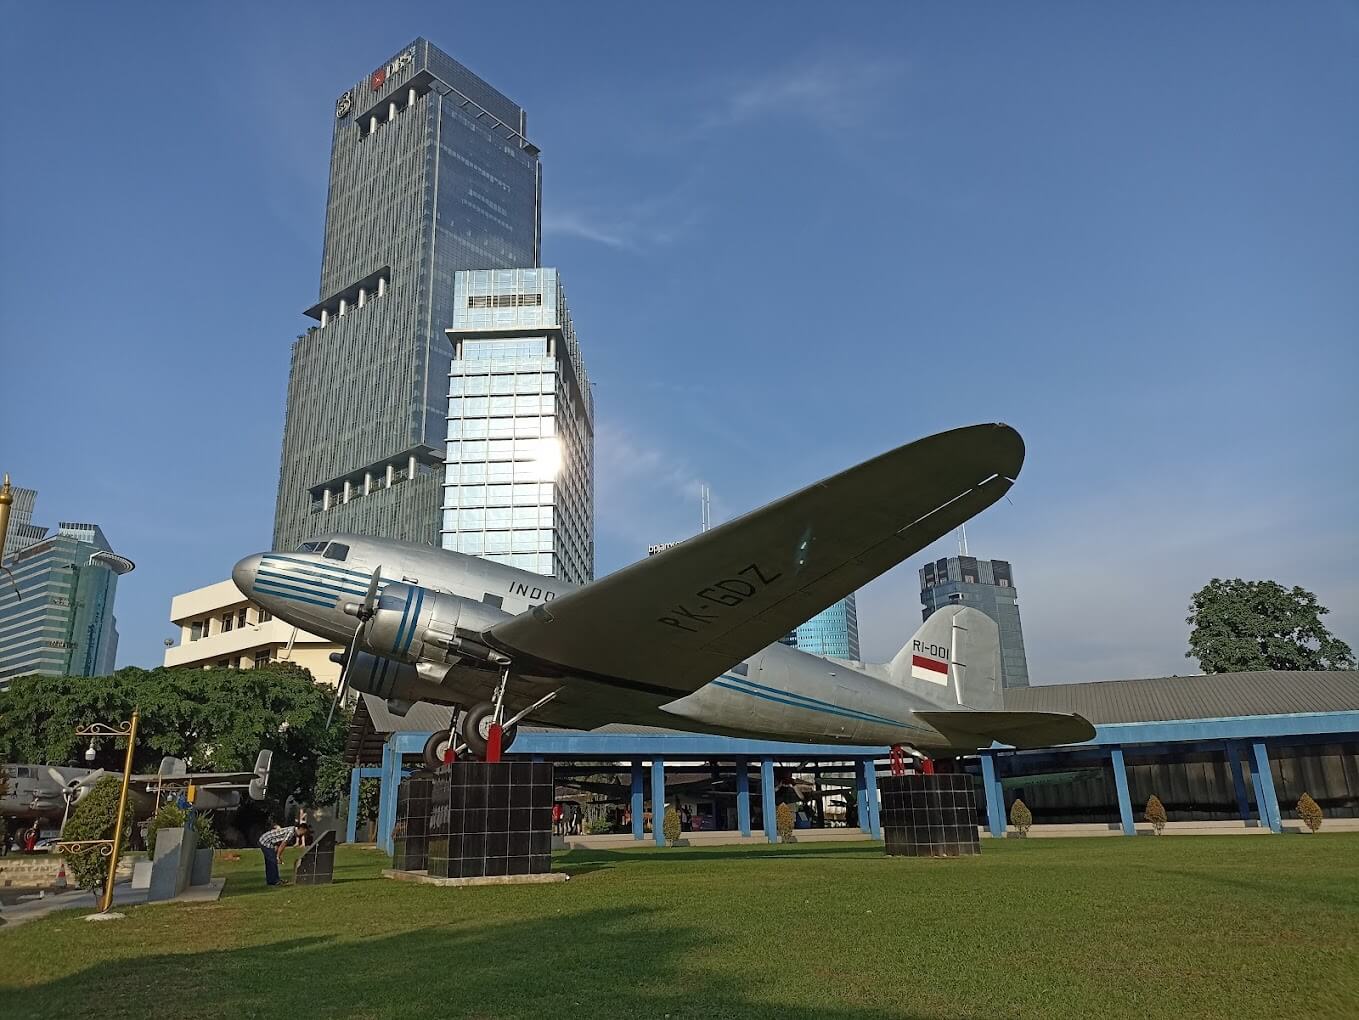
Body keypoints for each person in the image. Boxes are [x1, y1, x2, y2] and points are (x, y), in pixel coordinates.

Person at [258, 822, 309, 886]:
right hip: (265, 841)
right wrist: (278, 856)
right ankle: (275, 881)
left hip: (267, 840)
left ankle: (272, 881)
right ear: (301, 829)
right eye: (303, 833)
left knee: (270, 862)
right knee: (272, 861)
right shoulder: (291, 832)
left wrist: (277, 853)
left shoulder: (292, 830)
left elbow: (278, 841)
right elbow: (283, 844)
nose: (302, 835)